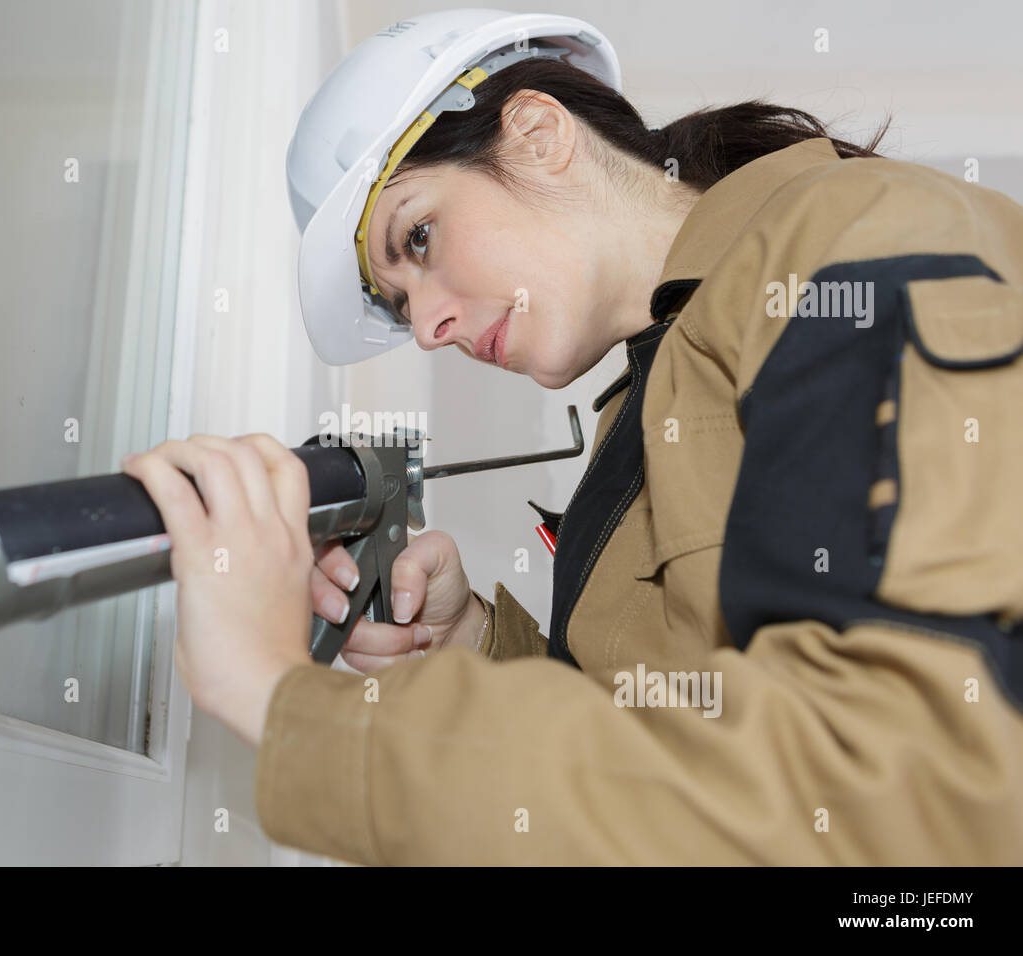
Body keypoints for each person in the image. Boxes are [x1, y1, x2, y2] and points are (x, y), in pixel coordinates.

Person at [120, 10, 1023, 864]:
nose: (428, 325)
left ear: (538, 134)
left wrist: (281, 700)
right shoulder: (642, 408)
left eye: (420, 237)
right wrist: (476, 643)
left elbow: (892, 791)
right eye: (400, 304)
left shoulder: (848, 243)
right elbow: (681, 737)